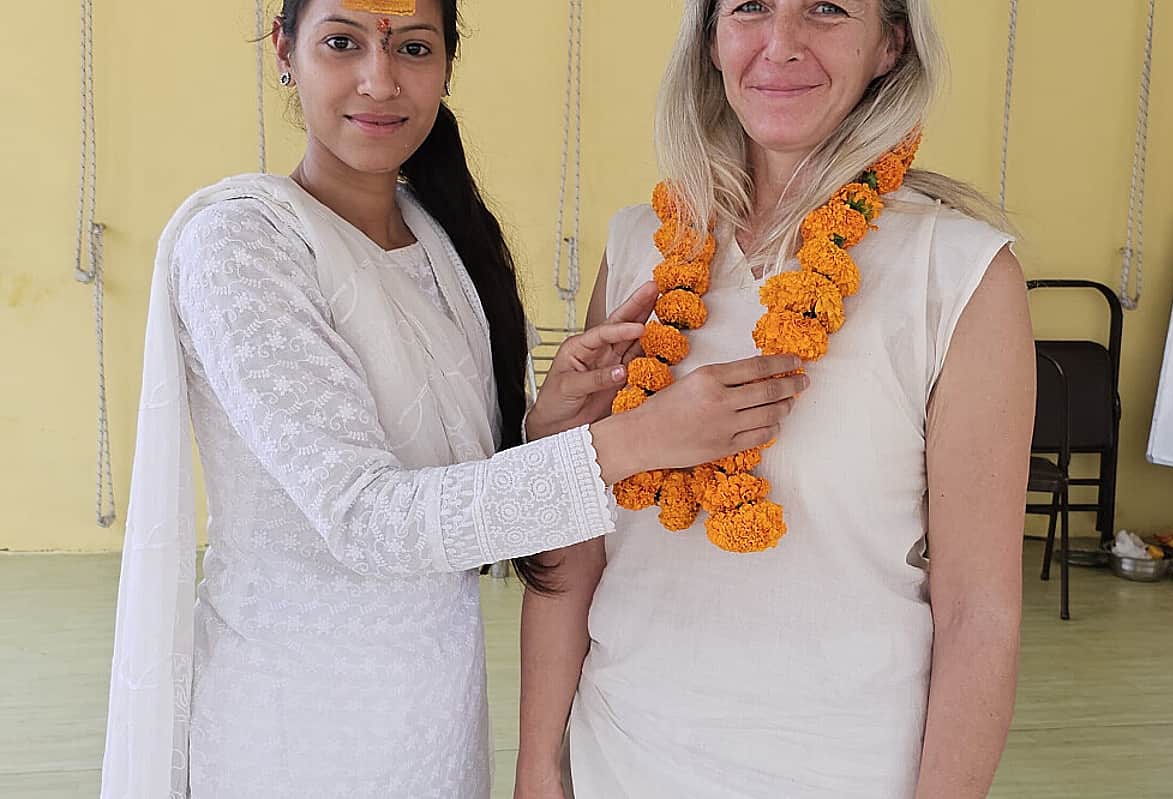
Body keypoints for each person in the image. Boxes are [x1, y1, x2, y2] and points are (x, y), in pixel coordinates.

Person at [99, 1, 808, 796]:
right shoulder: (240, 242)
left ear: (445, 65)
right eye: (342, 43)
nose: (380, 79)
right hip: (292, 727)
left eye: (413, 47)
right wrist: (641, 440)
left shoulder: (437, 235)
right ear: (284, 51)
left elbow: (467, 504)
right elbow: (370, 521)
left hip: (435, 722)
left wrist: (551, 421)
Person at [516, 1, 1036, 797]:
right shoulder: (637, 251)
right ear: (712, 39)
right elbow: (575, 544)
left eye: (827, 8)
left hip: (845, 767)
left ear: (891, 42)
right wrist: (536, 770)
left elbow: (979, 614)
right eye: (750, 7)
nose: (780, 44)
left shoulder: (960, 274)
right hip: (617, 754)